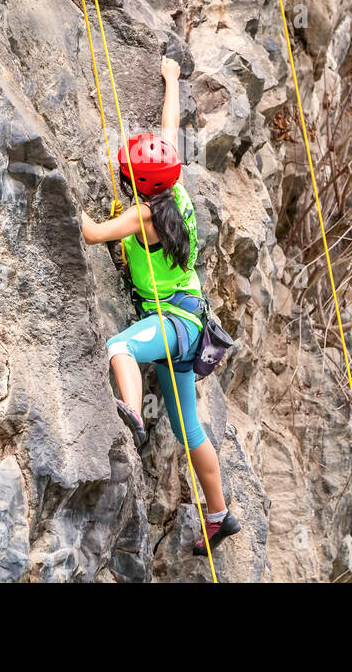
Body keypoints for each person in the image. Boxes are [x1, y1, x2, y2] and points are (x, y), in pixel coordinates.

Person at [80, 57, 241, 555]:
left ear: (141, 187)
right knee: (187, 426)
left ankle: (129, 410)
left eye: (128, 173)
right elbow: (168, 135)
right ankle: (220, 516)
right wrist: (172, 79)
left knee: (119, 347)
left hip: (173, 323)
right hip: (190, 319)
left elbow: (90, 233)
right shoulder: (175, 190)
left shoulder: (143, 217)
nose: (122, 174)